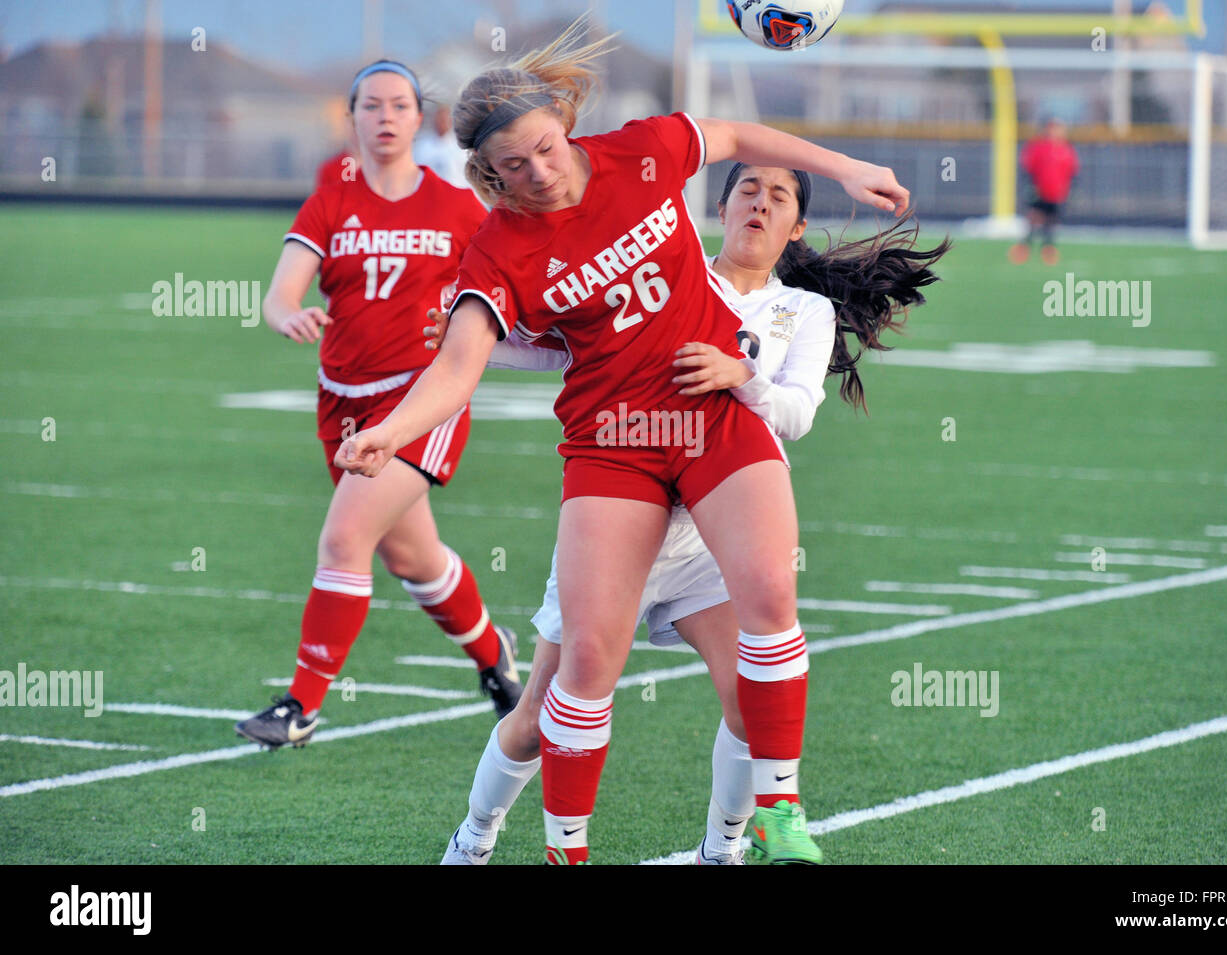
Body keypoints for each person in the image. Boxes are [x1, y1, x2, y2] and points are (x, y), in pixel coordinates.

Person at [334, 22, 910, 864]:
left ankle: (773, 817)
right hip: (615, 445)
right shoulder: (497, 249)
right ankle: (552, 848)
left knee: (770, 598)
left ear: (563, 123)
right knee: (579, 674)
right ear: (488, 176)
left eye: (542, 148)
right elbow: (459, 365)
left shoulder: (641, 155)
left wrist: (846, 168)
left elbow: (741, 136)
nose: (537, 171)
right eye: (511, 167)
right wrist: (387, 431)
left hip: (710, 429)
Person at [437, 164, 950, 865]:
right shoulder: (669, 271)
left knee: (749, 702)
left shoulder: (803, 311)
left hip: (714, 532)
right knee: (535, 718)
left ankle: (726, 847)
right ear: (720, 204)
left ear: (796, 227)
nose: (760, 204)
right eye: (748, 189)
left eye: (779, 198)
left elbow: (796, 413)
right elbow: (565, 345)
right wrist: (468, 334)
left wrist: (746, 377)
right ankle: (474, 839)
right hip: (618, 510)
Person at [234, 60, 523, 750]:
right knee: (415, 559)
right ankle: (495, 659)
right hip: (344, 403)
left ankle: (300, 706)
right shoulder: (332, 195)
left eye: (400, 105)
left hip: (422, 401)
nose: (386, 117)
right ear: (352, 116)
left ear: (422, 118)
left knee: (343, 539)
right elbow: (280, 293)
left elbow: (507, 283)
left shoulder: (456, 205)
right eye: (372, 105)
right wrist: (286, 315)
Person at [1010, 117, 1078, 266]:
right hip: (1040, 190)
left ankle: (1048, 249)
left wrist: (1069, 189)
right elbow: (1028, 167)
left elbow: (1072, 171)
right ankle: (1023, 247)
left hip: (1057, 192)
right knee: (1035, 218)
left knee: (1052, 220)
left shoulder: (1066, 149)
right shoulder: (1039, 147)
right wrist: (1030, 185)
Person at [413, 102, 471, 190]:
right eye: (439, 119)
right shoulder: (422, 146)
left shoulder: (461, 147)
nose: (441, 122)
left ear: (451, 121)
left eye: (444, 119)